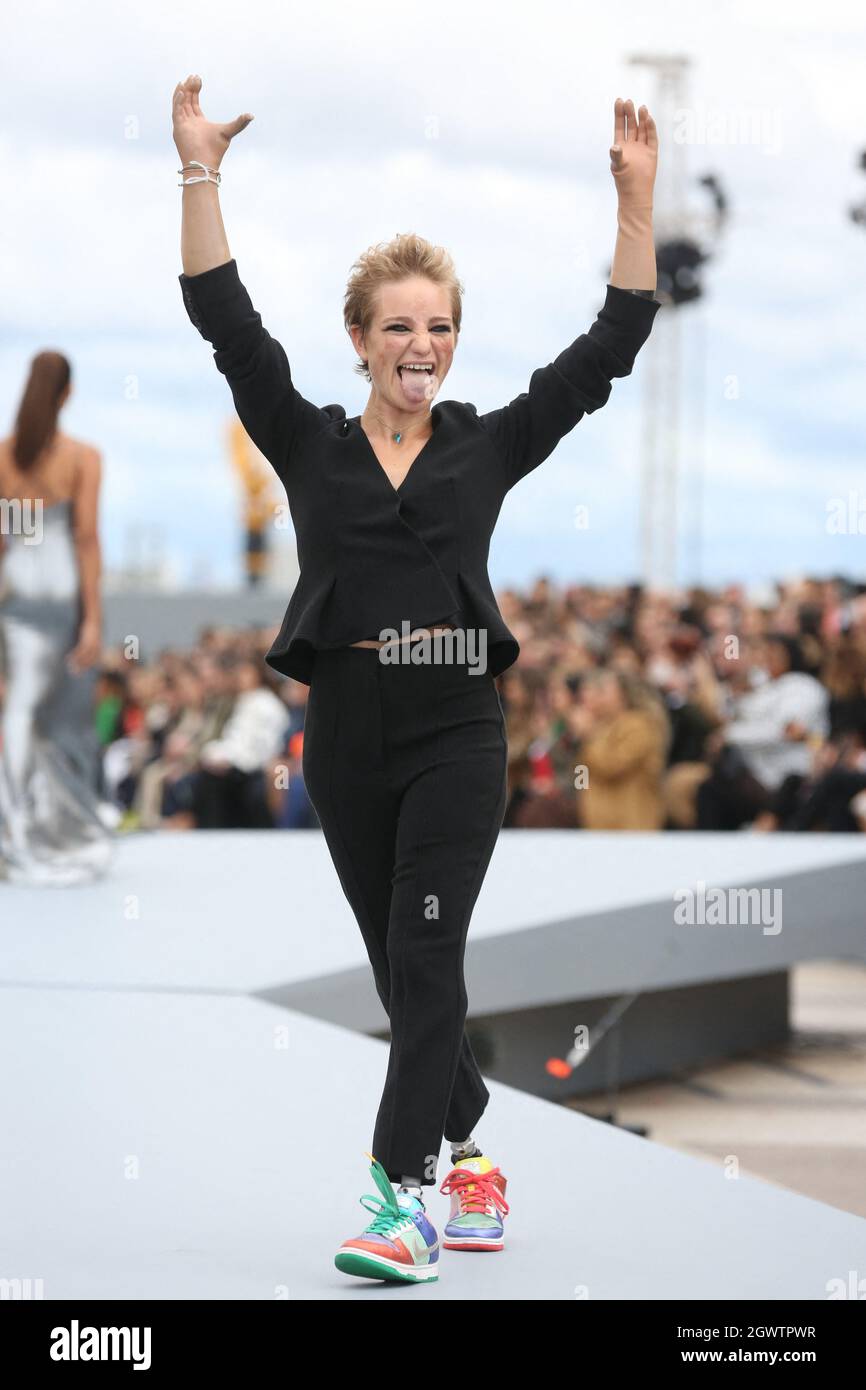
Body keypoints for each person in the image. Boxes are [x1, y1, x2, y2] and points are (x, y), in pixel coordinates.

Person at [173, 75, 660, 1283]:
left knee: (427, 955)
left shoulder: (487, 445)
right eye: (397, 326)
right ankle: (480, 1157)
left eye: (438, 326)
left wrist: (636, 203)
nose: (421, 346)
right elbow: (222, 319)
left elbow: (610, 347)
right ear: (359, 338)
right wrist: (198, 173)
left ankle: (404, 1199)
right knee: (403, 974)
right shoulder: (309, 445)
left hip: (454, 724)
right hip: (341, 733)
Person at [0, 352, 115, 886]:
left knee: (20, 717)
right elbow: (86, 540)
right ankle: (67, 833)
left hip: (18, 599)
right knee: (66, 725)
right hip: (64, 599)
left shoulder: (4, 457)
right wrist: (93, 620)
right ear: (66, 394)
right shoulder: (83, 458)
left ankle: (17, 835)